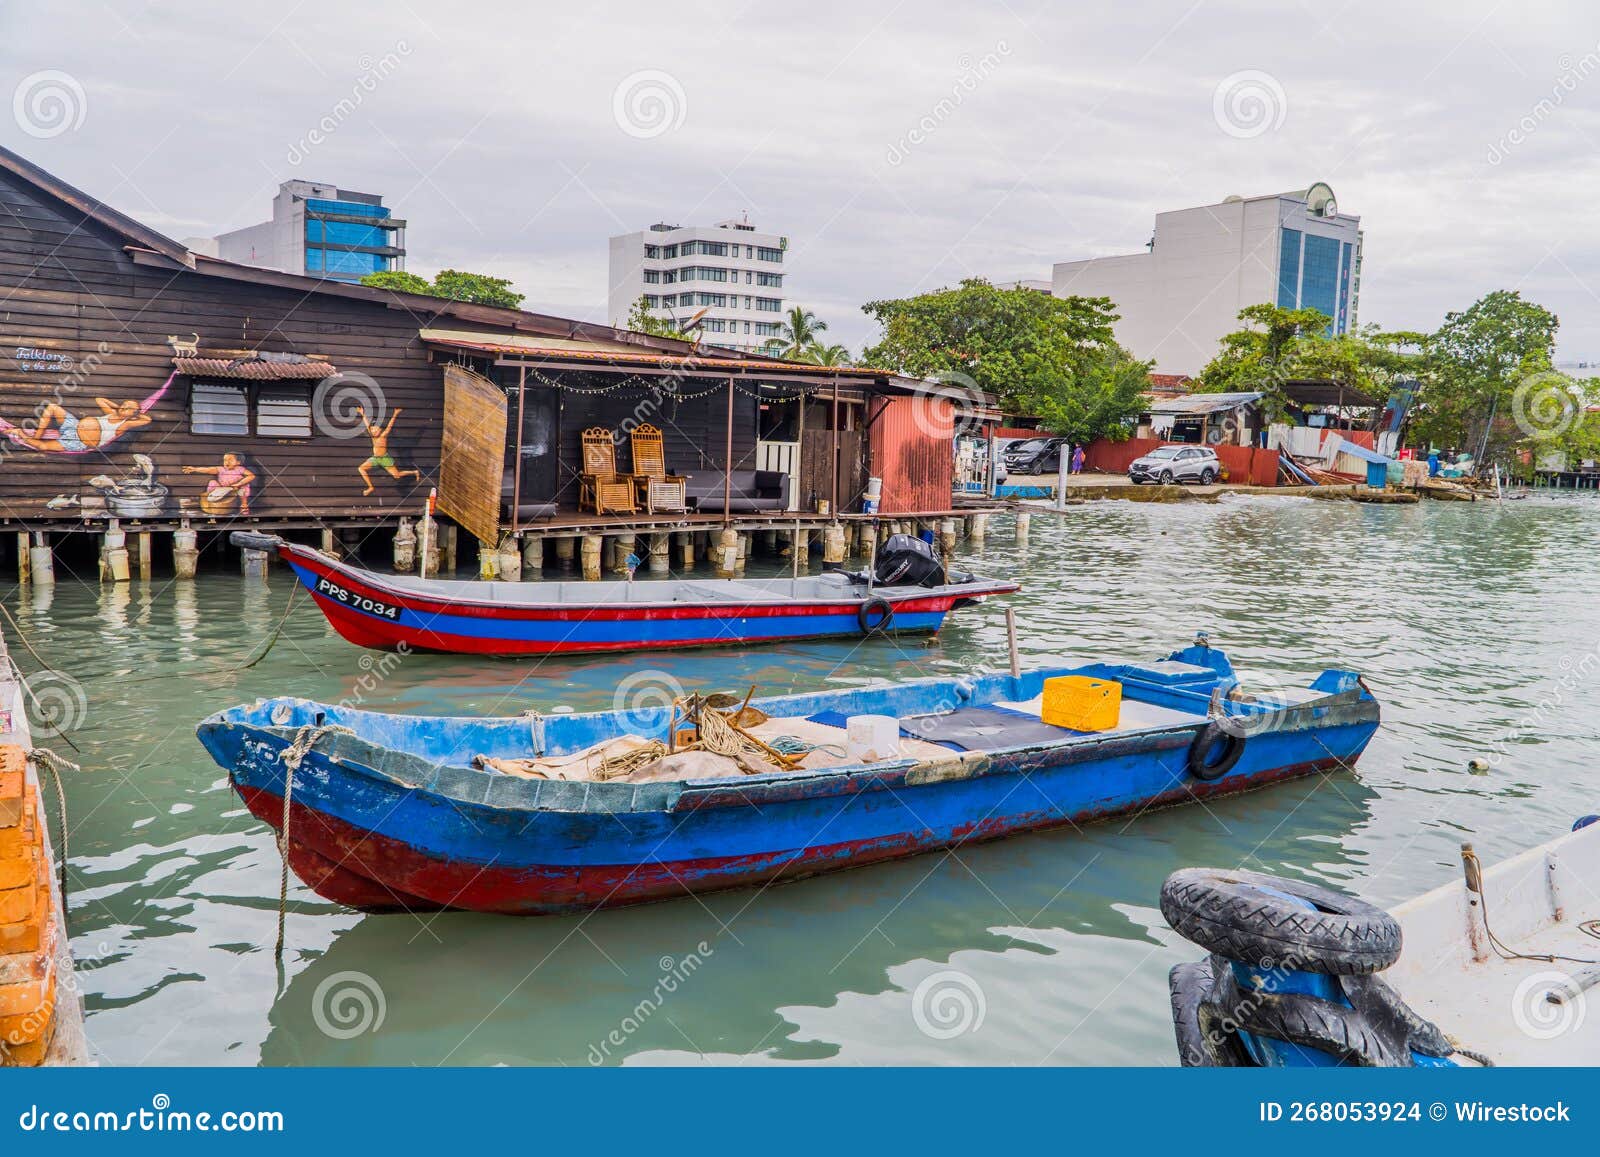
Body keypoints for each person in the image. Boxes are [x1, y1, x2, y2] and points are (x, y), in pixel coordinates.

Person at [0, 397, 152, 453]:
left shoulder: (125, 424)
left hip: (77, 442)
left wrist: (134, 413)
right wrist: (119, 407)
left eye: (128, 408)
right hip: (73, 426)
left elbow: (147, 419)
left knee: (43, 447)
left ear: (133, 414)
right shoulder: (112, 413)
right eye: (124, 405)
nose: (124, 408)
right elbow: (100, 399)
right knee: (52, 407)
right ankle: (37, 435)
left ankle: (21, 434)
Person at [356, 405, 420, 496]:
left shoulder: (383, 436)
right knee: (361, 468)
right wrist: (362, 413)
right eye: (373, 429)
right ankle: (371, 487)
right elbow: (367, 425)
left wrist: (395, 414)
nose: (373, 431)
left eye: (376, 429)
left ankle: (414, 472)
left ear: (380, 431)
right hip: (375, 459)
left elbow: (390, 426)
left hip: (385, 459)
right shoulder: (373, 436)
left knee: (397, 475)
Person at [183, 453, 257, 515]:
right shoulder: (221, 469)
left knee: (244, 487)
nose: (227, 462)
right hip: (223, 489)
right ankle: (209, 500)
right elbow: (208, 470)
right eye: (225, 460)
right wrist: (195, 469)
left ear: (238, 462)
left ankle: (244, 505)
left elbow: (251, 476)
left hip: (235, 489)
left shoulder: (240, 469)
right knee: (212, 482)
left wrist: (239, 483)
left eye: (230, 460)